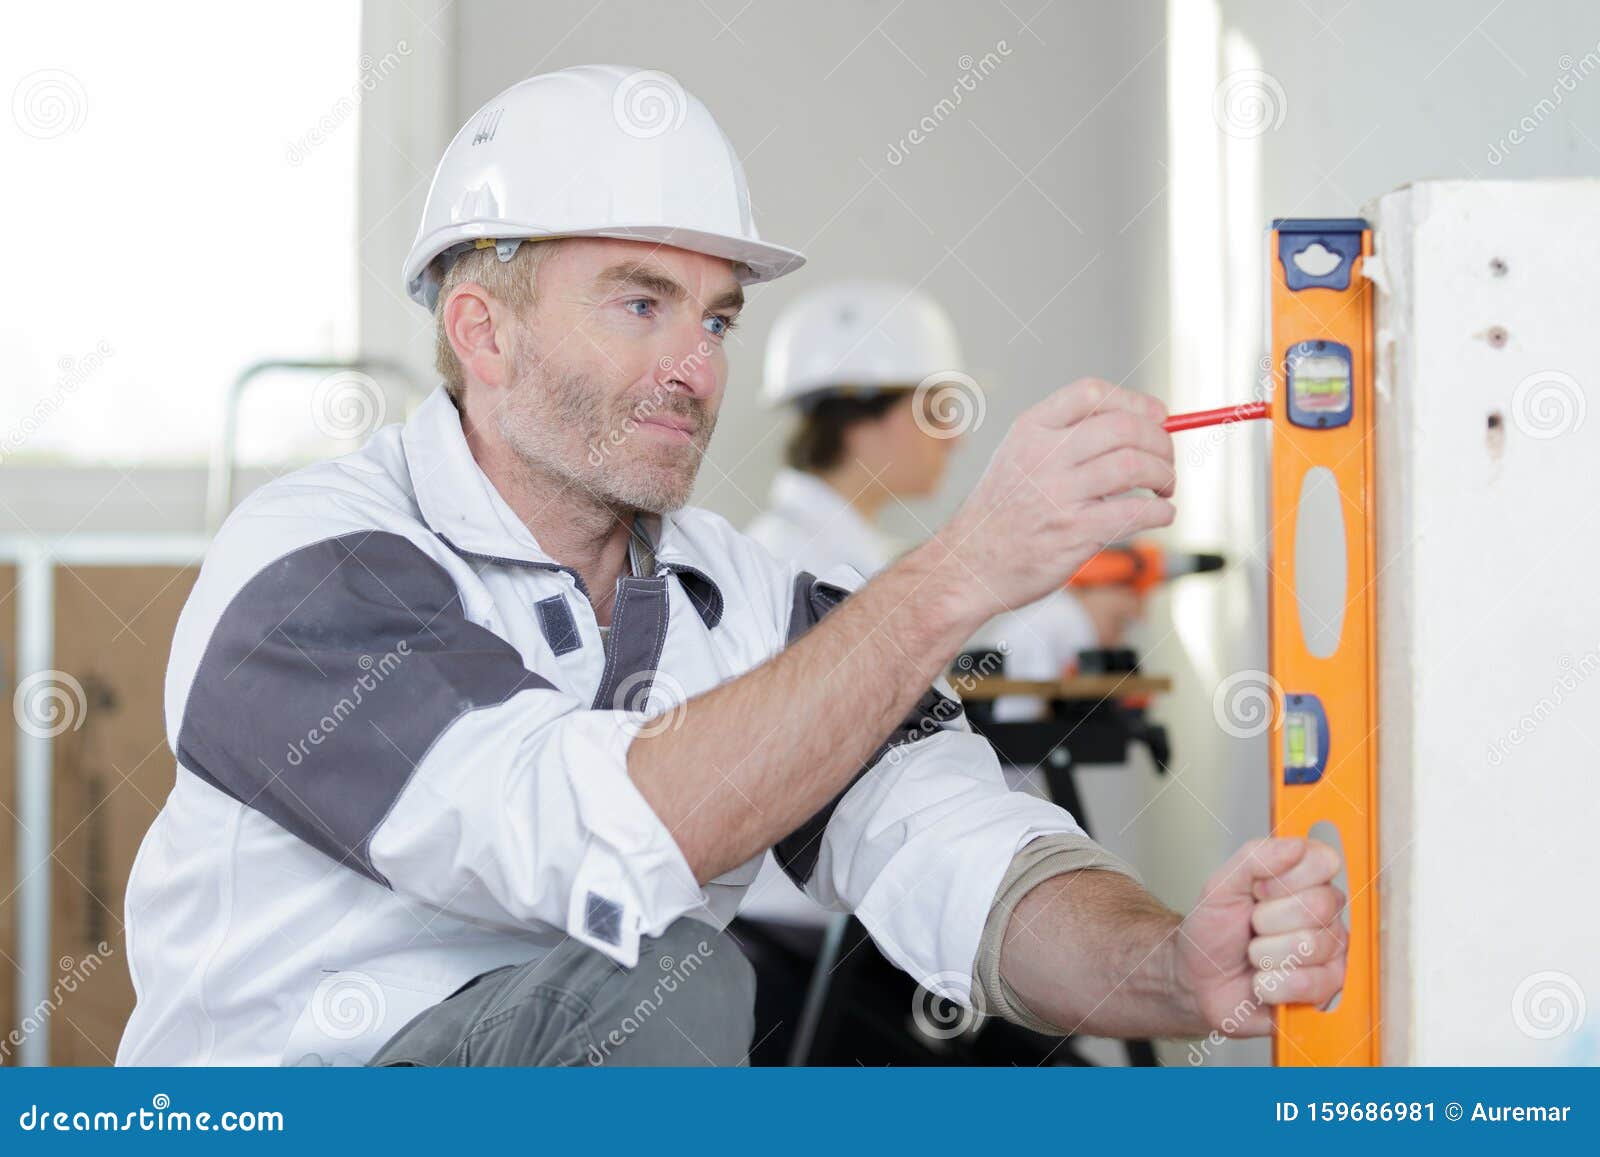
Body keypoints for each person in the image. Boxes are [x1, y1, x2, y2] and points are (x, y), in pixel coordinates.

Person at [117, 64, 1345, 1068]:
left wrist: (1168, 964)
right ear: (482, 330)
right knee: (668, 975)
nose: (696, 367)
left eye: (714, 318)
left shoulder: (752, 601)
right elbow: (579, 835)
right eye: (639, 303)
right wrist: (958, 572)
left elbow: (960, 848)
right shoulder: (312, 569)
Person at [740, 282, 1143, 927]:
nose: (955, 438)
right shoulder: (795, 562)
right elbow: (916, 690)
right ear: (863, 416)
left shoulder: (847, 549)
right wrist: (1069, 624)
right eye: (937, 409)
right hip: (815, 934)